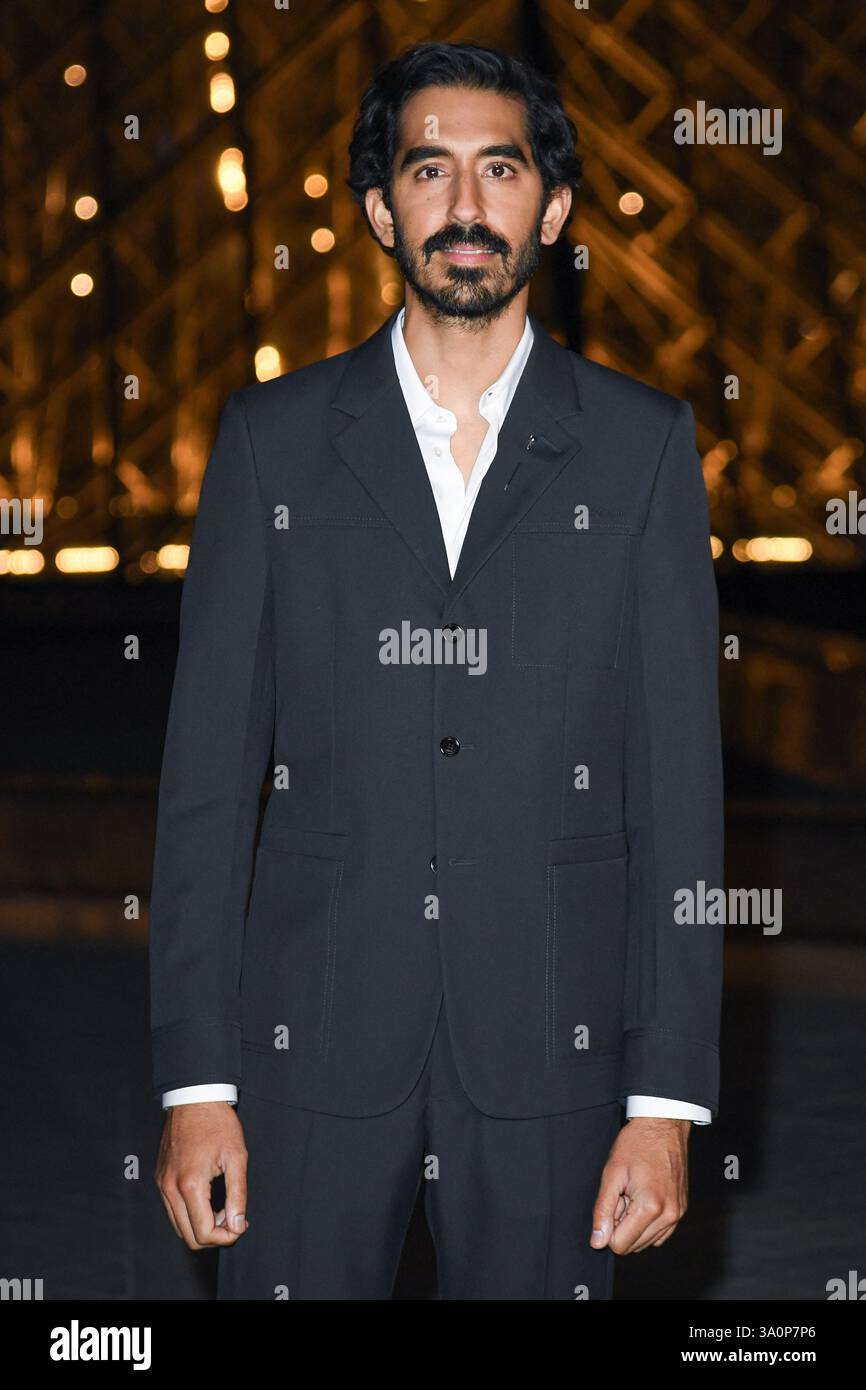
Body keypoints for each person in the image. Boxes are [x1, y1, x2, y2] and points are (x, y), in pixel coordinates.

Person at [150, 39, 724, 1300]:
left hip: (557, 1069)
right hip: (302, 1064)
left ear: (553, 208)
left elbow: (678, 797)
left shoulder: (640, 448)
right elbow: (203, 789)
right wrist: (198, 1084)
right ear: (378, 210)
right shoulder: (271, 443)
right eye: (428, 171)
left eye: (499, 171)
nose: (465, 207)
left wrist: (664, 1098)